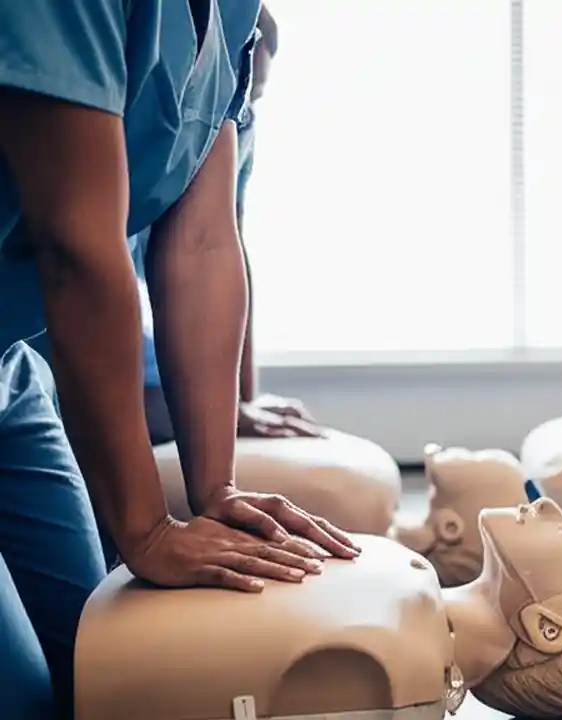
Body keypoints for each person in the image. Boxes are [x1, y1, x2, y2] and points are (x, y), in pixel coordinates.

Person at [0, 2, 357, 716]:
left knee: (105, 664)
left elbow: (201, 246)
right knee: (27, 697)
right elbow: (75, 244)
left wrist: (215, 488)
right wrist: (146, 528)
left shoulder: (234, 17)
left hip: (10, 372)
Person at [135, 4, 325, 446]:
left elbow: (225, 251)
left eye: (251, 97)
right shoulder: (154, 116)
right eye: (232, 96)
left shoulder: (238, 128)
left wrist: (243, 400)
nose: (240, 113)